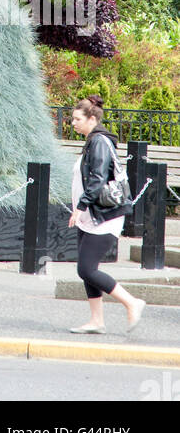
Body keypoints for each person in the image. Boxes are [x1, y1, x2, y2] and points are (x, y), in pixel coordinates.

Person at [67, 94, 145, 334]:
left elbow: (99, 179)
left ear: (91, 118)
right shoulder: (93, 140)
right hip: (91, 217)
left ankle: (131, 302)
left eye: (77, 118)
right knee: (86, 269)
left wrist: (80, 207)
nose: (73, 123)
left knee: (86, 269)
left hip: (103, 216)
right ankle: (96, 320)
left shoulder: (99, 141)